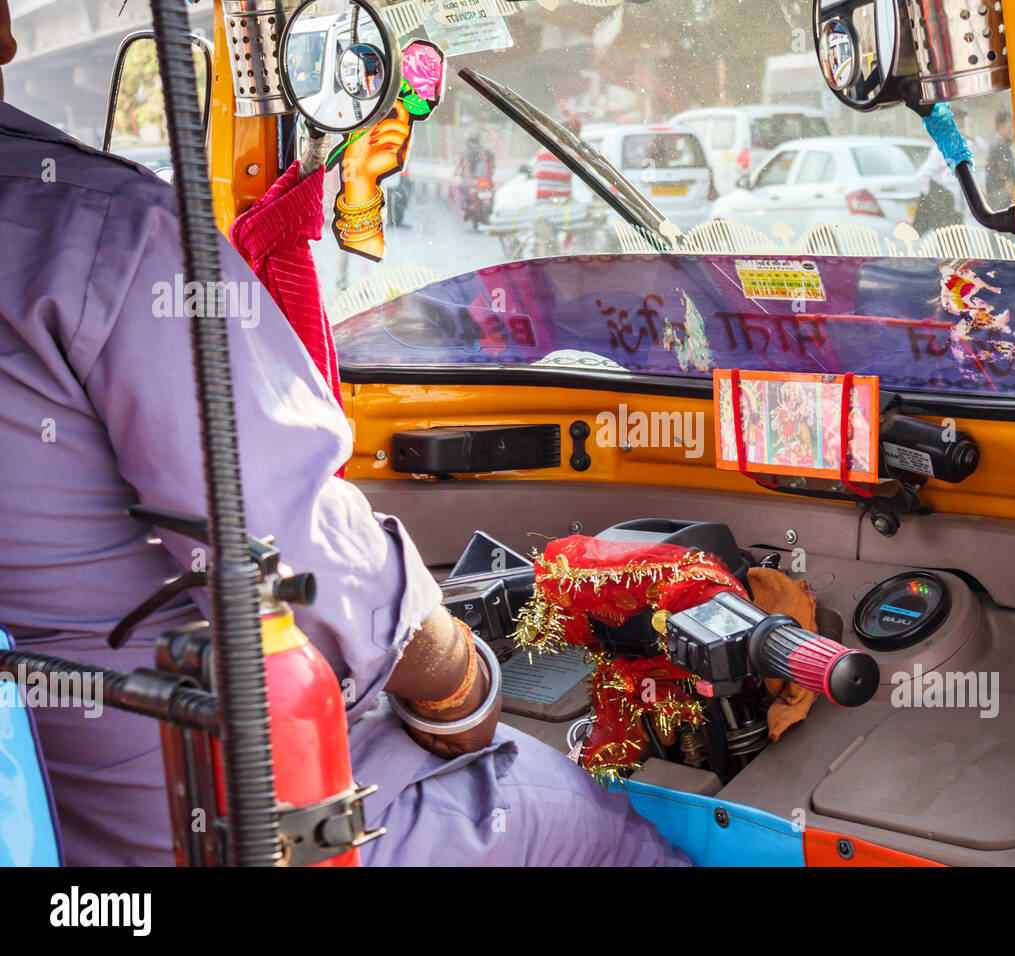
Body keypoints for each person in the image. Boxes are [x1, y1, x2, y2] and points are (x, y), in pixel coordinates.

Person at [0, 5, 685, 867]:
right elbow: (292, 558)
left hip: (64, 826)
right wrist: (462, 687)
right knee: (595, 830)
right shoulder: (101, 231)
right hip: (210, 825)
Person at [912, 108, 968, 236]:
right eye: (958, 127)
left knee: (958, 250)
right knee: (950, 249)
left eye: (962, 126)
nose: (961, 131)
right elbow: (921, 176)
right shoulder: (940, 149)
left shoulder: (958, 148)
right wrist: (933, 198)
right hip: (945, 211)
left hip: (955, 210)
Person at [984, 109, 1015, 211]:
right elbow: (1008, 181)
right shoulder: (1001, 147)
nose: (1014, 130)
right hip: (1003, 204)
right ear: (1000, 127)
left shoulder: (997, 145)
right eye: (1011, 126)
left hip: (997, 204)